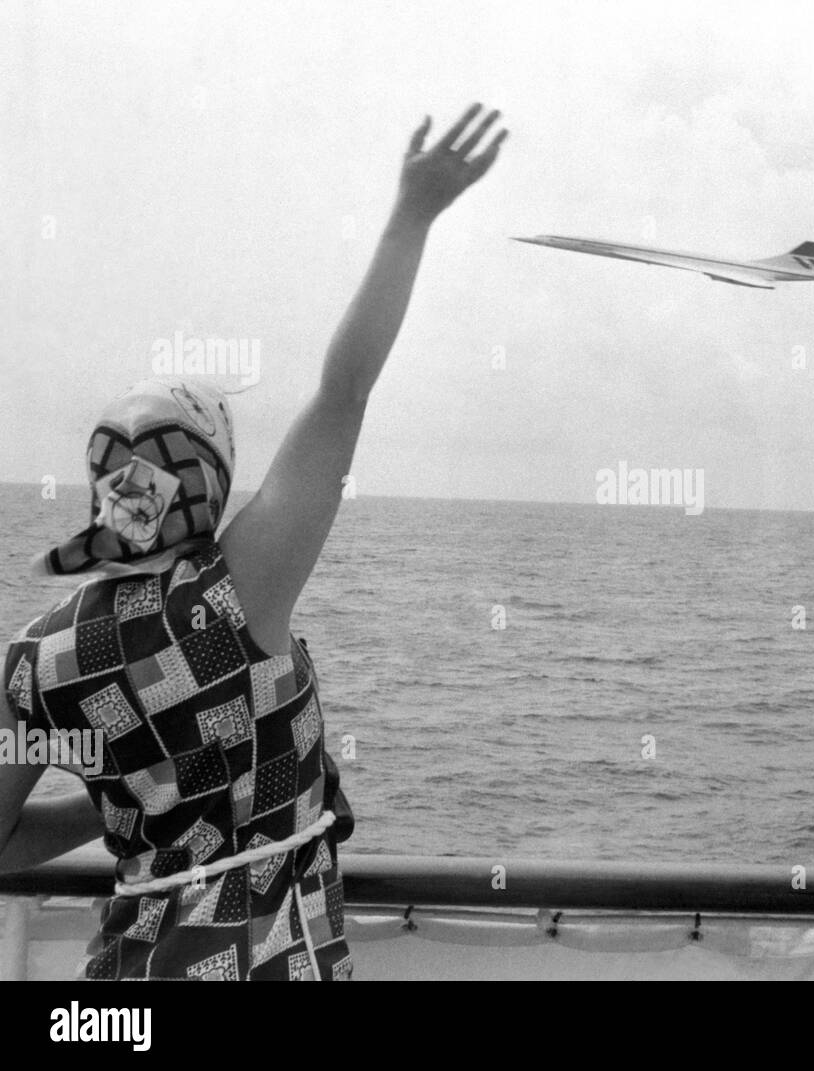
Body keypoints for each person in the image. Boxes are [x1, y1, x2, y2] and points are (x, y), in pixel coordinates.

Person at [0, 103, 506, 979]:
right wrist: (412, 214)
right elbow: (344, 391)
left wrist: (125, 794)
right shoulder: (235, 594)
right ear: (212, 484)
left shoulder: (31, 659)